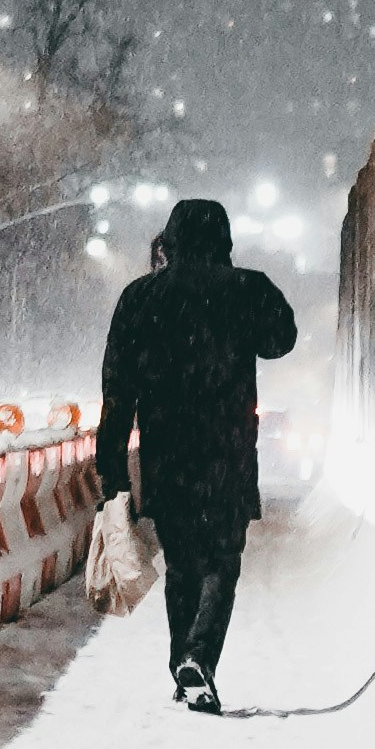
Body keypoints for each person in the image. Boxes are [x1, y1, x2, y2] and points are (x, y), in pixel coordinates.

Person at [94, 194, 296, 711]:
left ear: (170, 239)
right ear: (224, 241)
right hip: (227, 452)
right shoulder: (245, 289)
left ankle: (184, 664)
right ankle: (199, 657)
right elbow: (282, 338)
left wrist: (112, 472)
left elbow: (117, 393)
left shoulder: (140, 297)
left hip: (168, 455)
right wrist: (242, 291)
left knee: (183, 564)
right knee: (222, 561)